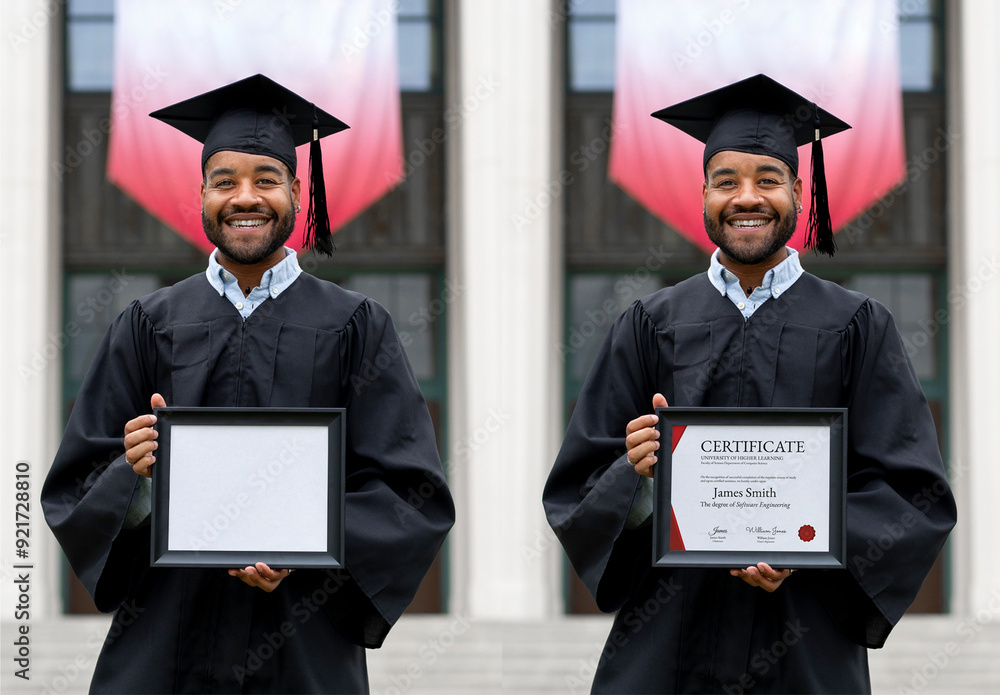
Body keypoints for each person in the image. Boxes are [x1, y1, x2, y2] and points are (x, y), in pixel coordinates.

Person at [543, 74, 956, 694]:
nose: (747, 197)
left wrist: (811, 547)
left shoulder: (856, 326)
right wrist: (638, 476)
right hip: (668, 639)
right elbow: (578, 486)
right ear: (703, 192)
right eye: (726, 181)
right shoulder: (649, 325)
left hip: (806, 638)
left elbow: (912, 489)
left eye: (767, 179)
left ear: (798, 188)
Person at [42, 74, 454, 694]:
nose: (245, 197)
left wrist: (308, 546)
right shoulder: (147, 326)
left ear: (296, 188)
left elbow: (412, 490)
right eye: (224, 181)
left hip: (304, 641)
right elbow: (75, 486)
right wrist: (136, 476)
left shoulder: (355, 326)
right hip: (165, 645)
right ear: (201, 193)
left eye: (265, 179)